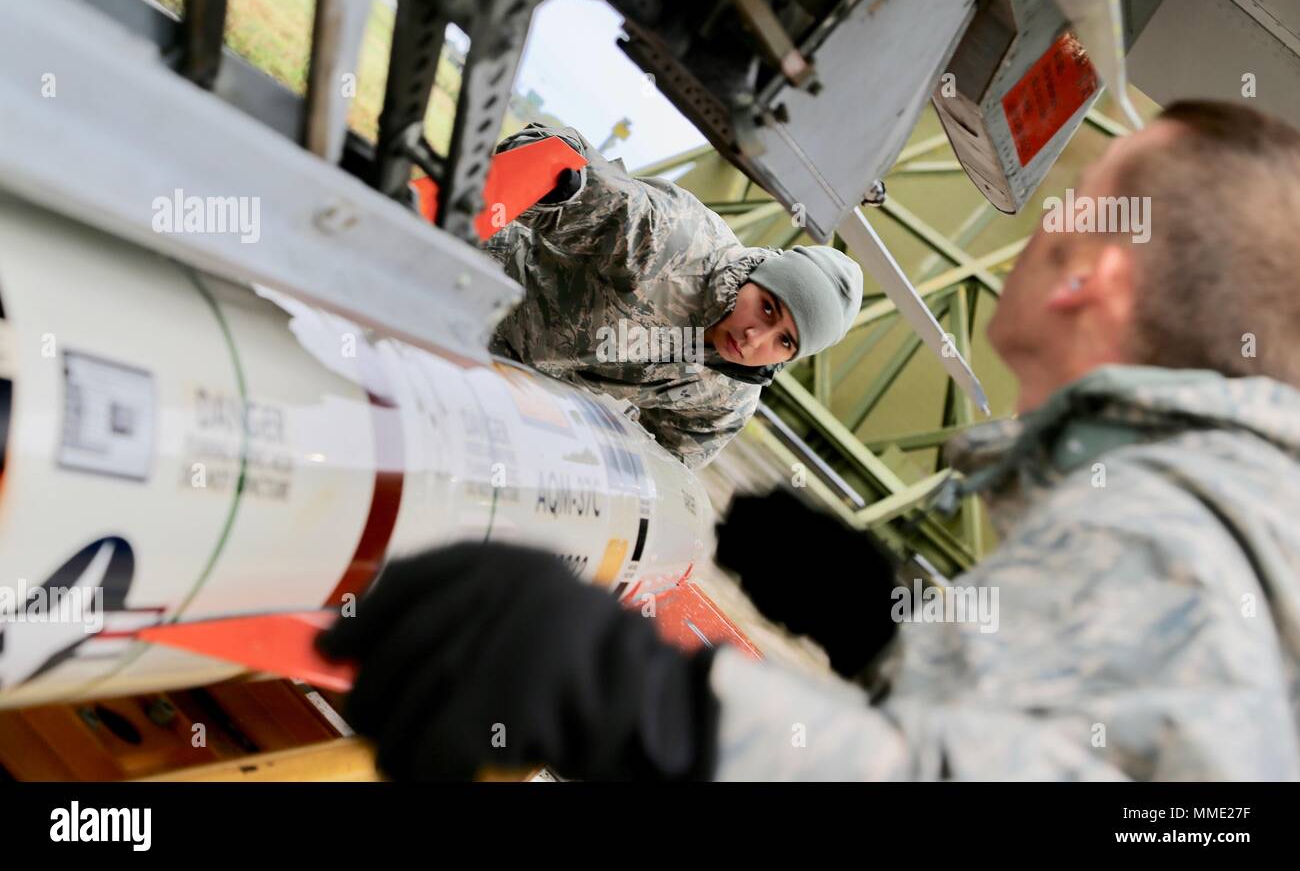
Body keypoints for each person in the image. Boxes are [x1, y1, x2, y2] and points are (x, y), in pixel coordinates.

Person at [319, 100, 1300, 780]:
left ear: (1091, 279)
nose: (1046, 224)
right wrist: (897, 634)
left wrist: (644, 708)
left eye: (1071, 211)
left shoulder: (1168, 528)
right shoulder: (1208, 509)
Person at [483, 122, 863, 468]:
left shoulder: (729, 397)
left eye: (784, 341)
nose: (755, 339)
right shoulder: (671, 241)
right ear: (757, 278)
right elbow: (556, 158)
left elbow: (665, 470)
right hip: (471, 281)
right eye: (767, 308)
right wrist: (564, 184)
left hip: (508, 384)